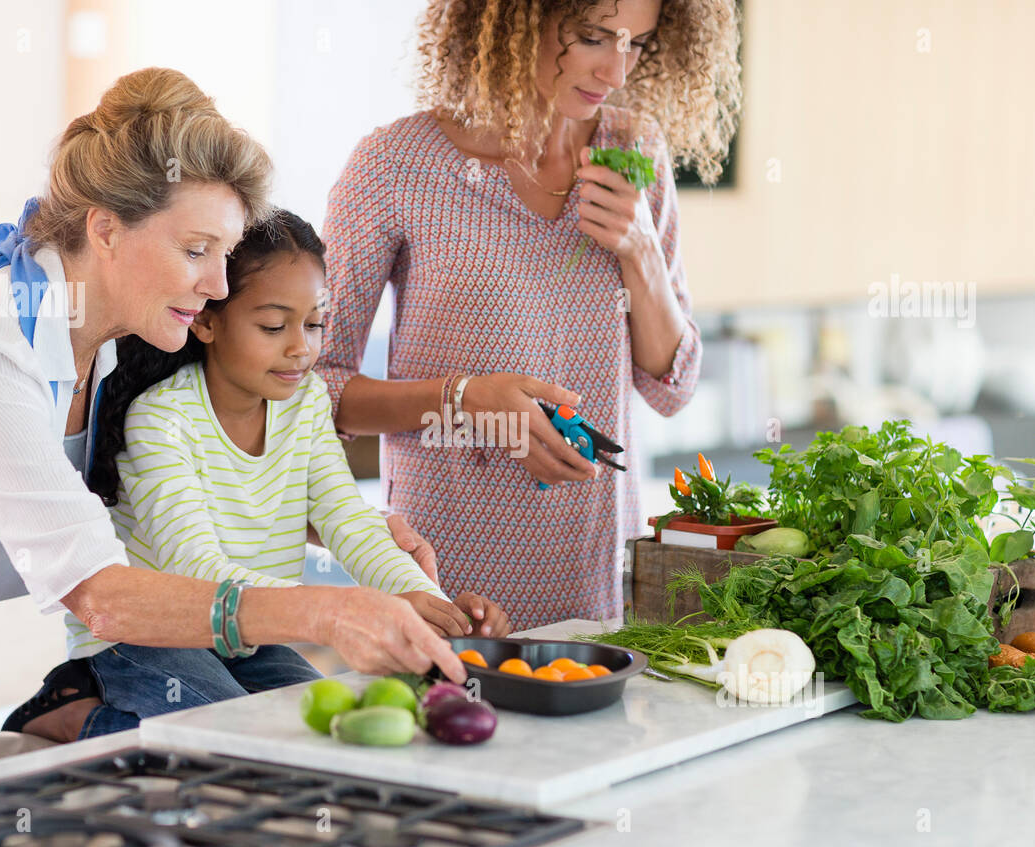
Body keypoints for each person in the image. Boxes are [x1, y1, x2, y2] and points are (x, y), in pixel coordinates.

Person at [0, 67, 465, 796]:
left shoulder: (112, 338)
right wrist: (329, 608)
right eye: (197, 251)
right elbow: (104, 597)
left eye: (226, 254)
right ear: (104, 228)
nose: (220, 285)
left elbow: (153, 492)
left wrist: (348, 538)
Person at [316, 0, 741, 628]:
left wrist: (642, 249)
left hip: (595, 579)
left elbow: (671, 387)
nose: (617, 71)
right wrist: (464, 401)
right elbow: (313, 391)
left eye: (638, 45)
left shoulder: (633, 151)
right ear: (514, 20)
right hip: (441, 579)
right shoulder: (396, 165)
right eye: (594, 37)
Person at [44, 209, 508, 737]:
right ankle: (70, 715)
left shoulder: (306, 402)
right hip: (148, 637)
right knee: (239, 737)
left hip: (252, 636)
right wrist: (343, 608)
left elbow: (347, 521)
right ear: (206, 319)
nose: (300, 348)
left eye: (314, 324)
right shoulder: (163, 417)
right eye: (272, 326)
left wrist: (429, 606)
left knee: (315, 730)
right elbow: (196, 569)